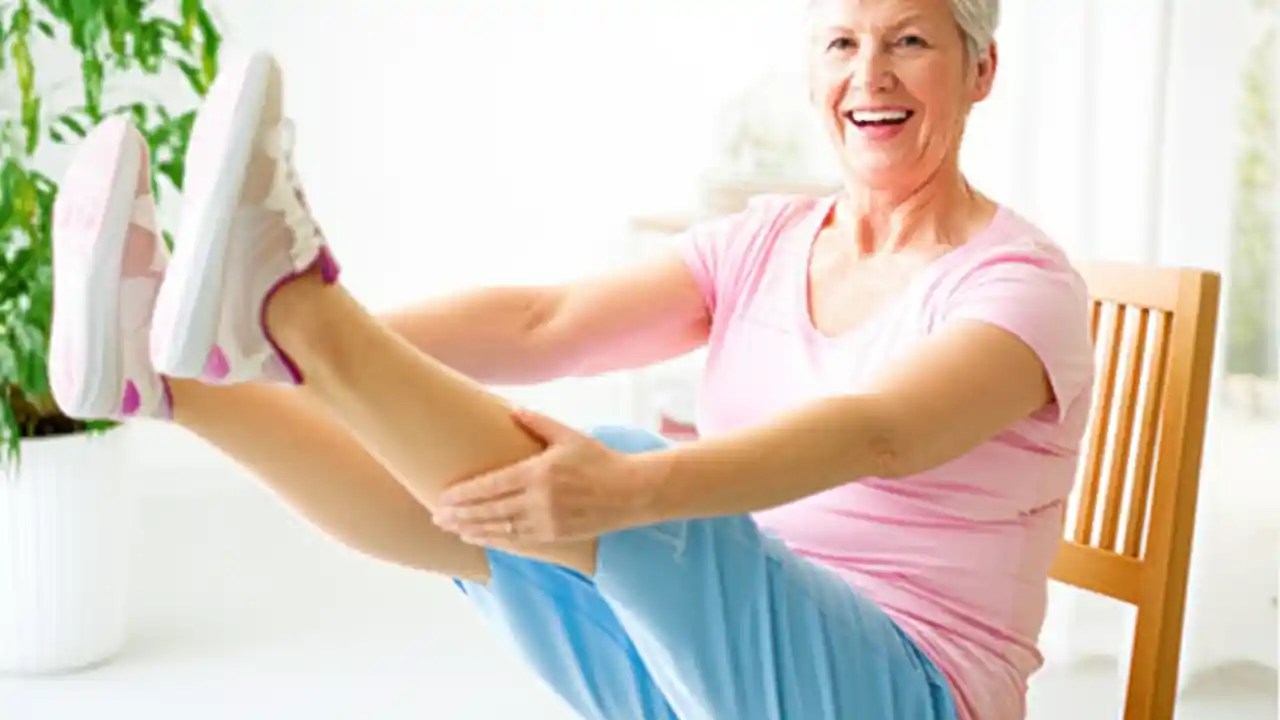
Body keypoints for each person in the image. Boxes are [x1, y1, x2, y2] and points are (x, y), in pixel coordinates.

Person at [46, 0, 1095, 717]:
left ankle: (290, 313)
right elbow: (546, 323)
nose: (868, 74)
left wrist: (634, 490)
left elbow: (881, 432)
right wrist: (303, 355)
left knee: (617, 487)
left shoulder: (1020, 285)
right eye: (840, 43)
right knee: (496, 526)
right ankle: (172, 381)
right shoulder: (768, 239)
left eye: (908, 39)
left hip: (908, 689)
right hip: (705, 673)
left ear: (978, 67)